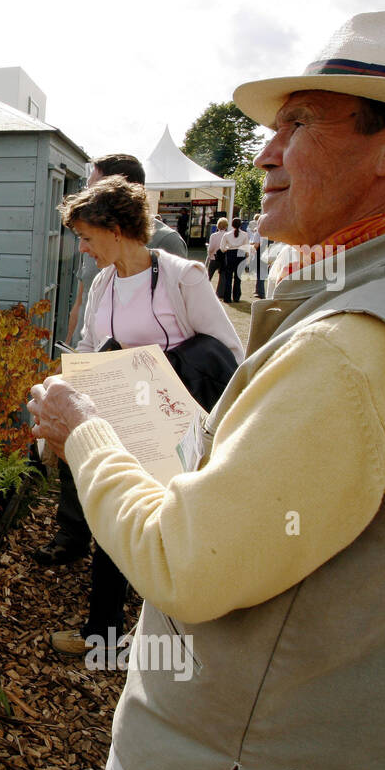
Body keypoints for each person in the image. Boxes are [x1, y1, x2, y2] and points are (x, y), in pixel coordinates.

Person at [28, 7, 385, 770]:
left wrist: (84, 431)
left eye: (299, 123)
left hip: (228, 767)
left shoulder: (352, 347)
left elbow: (186, 562)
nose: (264, 153)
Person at [47, 176, 243, 656]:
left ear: (116, 230)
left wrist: (164, 367)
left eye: (87, 238)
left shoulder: (183, 277)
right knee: (117, 518)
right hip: (124, 420)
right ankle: (107, 633)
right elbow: (93, 348)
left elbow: (230, 353)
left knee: (175, 523)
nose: (84, 249)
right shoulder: (103, 284)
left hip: (177, 424)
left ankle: (167, 633)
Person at [48, 154, 190, 567]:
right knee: (77, 450)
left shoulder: (166, 246)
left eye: (94, 187)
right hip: (95, 363)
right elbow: (83, 298)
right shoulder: (92, 241)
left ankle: (125, 552)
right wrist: (75, 355)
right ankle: (72, 535)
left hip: (141, 390)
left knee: (126, 468)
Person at [215, 217, 250, 303]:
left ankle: (227, 298)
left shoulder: (227, 235)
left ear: (232, 225)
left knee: (228, 277)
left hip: (230, 254)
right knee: (238, 277)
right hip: (241, 254)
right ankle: (236, 297)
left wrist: (227, 249)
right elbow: (246, 247)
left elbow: (222, 248)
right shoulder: (245, 234)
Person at [205, 217, 229, 281]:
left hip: (214, 258)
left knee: (208, 276)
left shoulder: (213, 236)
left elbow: (211, 249)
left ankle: (205, 289)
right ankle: (220, 290)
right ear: (226, 226)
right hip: (223, 259)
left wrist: (209, 254)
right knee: (222, 278)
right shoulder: (228, 236)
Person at [248, 215, 266, 298]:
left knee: (259, 272)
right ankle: (258, 290)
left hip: (260, 252)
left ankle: (261, 292)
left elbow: (256, 245)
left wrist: (251, 247)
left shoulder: (258, 231)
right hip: (268, 252)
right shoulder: (269, 230)